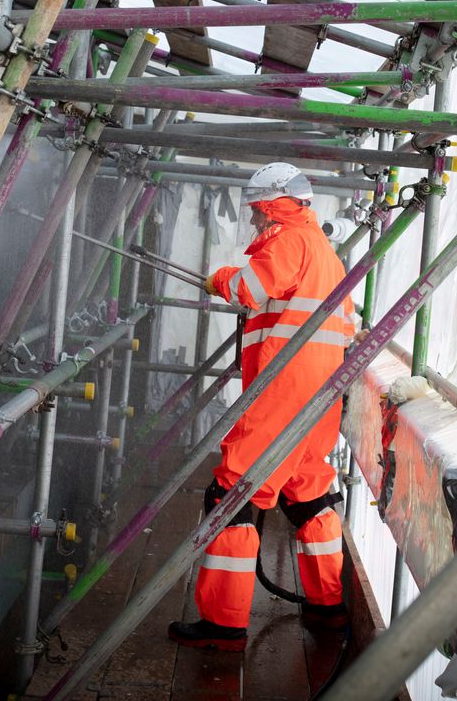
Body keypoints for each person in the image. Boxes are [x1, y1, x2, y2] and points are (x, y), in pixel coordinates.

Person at [168, 163, 356, 652]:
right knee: (308, 494)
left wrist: (220, 278)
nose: (253, 220)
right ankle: (327, 606)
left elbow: (248, 289)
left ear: (271, 204)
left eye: (256, 210)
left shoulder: (289, 240)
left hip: (284, 389)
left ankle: (225, 624)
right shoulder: (325, 254)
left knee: (234, 493)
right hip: (319, 394)